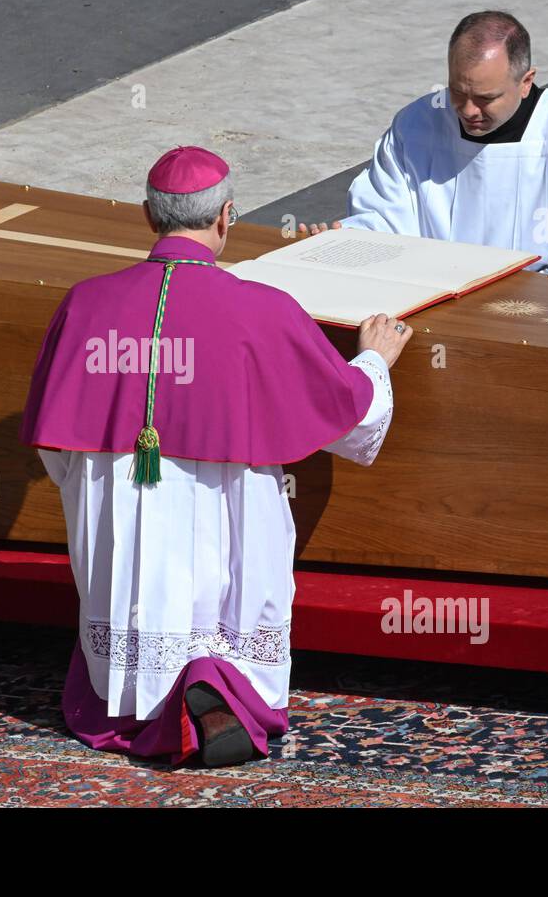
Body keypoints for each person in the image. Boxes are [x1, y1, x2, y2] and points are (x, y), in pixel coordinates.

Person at [21, 145, 412, 767]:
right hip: (227, 503)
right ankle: (218, 688)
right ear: (226, 216)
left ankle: (138, 699)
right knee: (225, 588)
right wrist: (372, 360)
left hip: (122, 502)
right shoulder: (262, 310)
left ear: (149, 215)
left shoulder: (86, 303)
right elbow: (343, 408)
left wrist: (99, 484)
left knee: (135, 588)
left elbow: (54, 440)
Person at [305, 10, 548, 287]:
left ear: (525, 82)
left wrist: (513, 302)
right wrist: (344, 241)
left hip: (537, 318)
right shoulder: (416, 125)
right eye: (457, 92)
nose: (468, 110)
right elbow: (385, 220)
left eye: (486, 98)